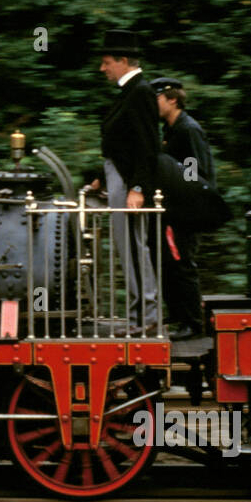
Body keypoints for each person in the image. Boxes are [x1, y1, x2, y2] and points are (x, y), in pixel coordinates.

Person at [90, 31, 160, 336]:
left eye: (107, 62)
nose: (102, 68)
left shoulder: (140, 92)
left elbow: (148, 145)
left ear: (123, 61)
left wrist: (138, 188)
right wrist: (100, 176)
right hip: (119, 177)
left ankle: (146, 317)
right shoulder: (130, 92)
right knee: (127, 248)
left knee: (133, 247)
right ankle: (138, 317)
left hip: (129, 183)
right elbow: (122, 142)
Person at [151, 77, 215, 341]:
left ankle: (192, 323)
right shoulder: (171, 129)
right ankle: (178, 315)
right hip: (176, 206)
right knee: (169, 261)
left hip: (186, 208)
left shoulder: (188, 130)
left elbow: (194, 172)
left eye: (156, 100)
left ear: (172, 99)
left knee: (182, 263)